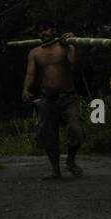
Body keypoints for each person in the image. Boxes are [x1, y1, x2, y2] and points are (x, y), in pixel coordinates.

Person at [22, 18, 85, 179]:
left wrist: (75, 44)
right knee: (48, 136)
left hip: (69, 98)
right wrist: (26, 90)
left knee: (76, 130)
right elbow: (30, 74)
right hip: (47, 100)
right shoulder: (35, 52)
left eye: (46, 29)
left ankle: (70, 161)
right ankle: (55, 170)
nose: (43, 32)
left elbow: (76, 65)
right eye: (40, 30)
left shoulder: (66, 46)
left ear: (54, 30)